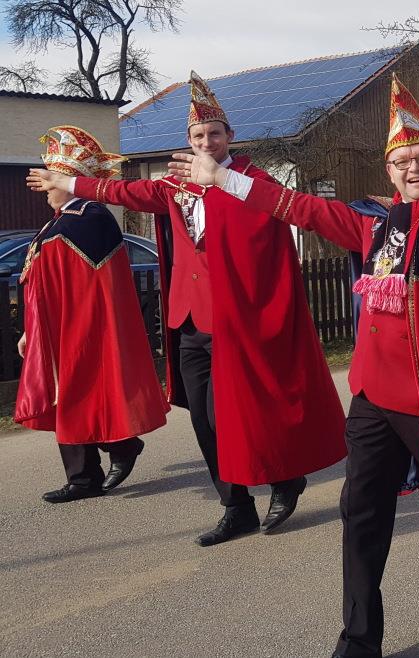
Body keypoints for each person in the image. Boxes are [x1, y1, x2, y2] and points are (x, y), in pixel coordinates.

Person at [167, 73, 419, 657]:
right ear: (389, 171)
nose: (414, 168)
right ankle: (359, 639)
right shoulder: (378, 225)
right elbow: (302, 209)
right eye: (402, 161)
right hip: (372, 397)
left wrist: (224, 179)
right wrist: (225, 180)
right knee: (360, 510)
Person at [27, 72, 346, 545]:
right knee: (204, 419)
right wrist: (68, 180)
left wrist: (225, 187)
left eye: (214, 133)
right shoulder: (177, 185)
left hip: (240, 319)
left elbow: (272, 228)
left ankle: (284, 478)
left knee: (246, 411)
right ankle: (236, 506)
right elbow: (125, 193)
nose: (206, 142)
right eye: (198, 135)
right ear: (189, 140)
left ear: (230, 136)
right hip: (190, 320)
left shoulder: (253, 182)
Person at [17, 126, 168, 503]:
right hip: (55, 327)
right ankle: (89, 471)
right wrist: (30, 330)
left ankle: (114, 451)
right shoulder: (59, 220)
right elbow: (43, 283)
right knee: (64, 397)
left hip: (80, 327)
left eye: (52, 179)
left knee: (78, 394)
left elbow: (90, 286)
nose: (45, 188)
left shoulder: (90, 216)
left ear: (70, 182)